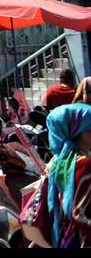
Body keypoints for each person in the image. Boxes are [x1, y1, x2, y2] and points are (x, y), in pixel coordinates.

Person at [22, 104, 91, 248]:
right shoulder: (84, 163)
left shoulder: (56, 161)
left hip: (62, 236)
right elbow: (80, 213)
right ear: (83, 132)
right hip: (81, 239)